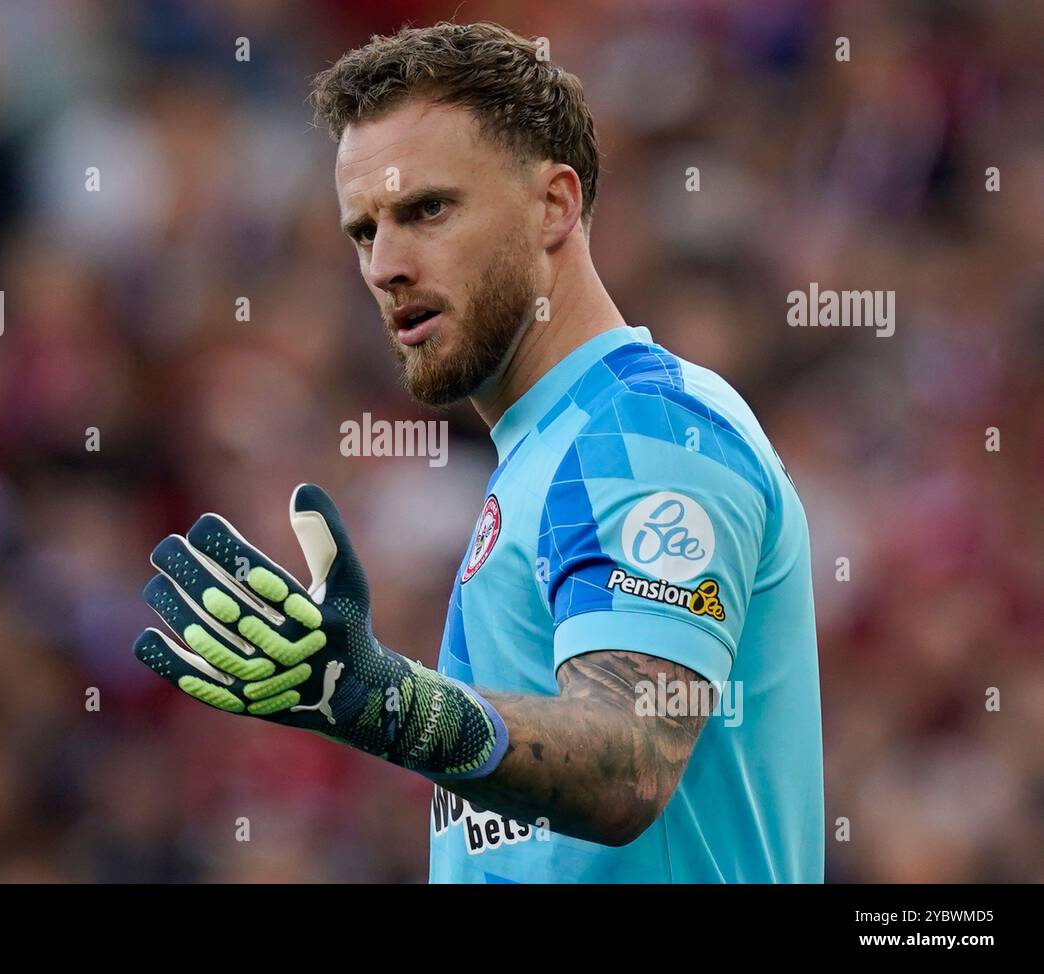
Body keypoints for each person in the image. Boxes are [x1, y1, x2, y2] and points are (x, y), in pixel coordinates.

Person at [133, 21, 823, 883]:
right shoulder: (542, 455)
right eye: (363, 231)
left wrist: (390, 702)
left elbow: (631, 760)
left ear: (555, 206)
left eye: (427, 209)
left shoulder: (644, 432)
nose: (386, 263)